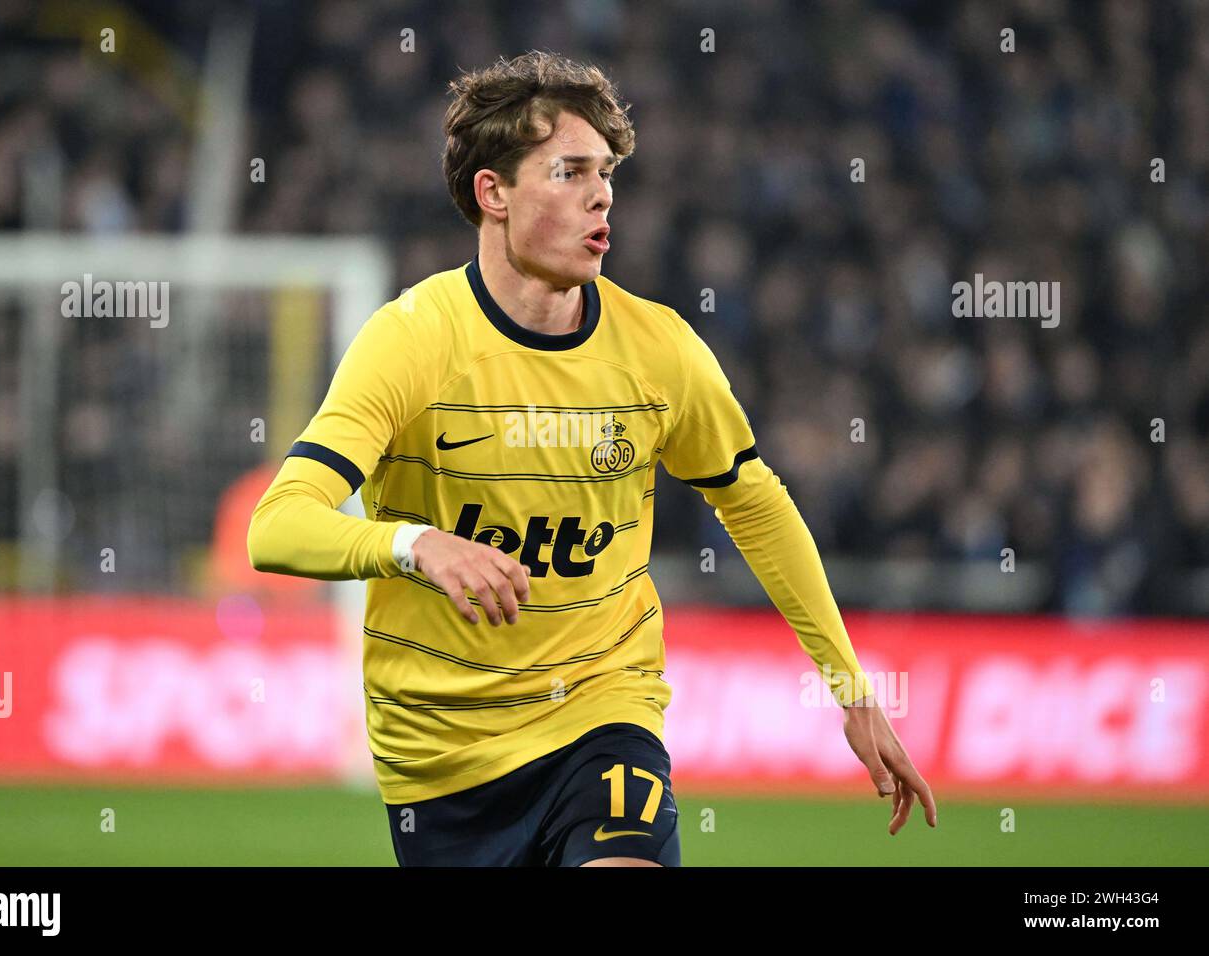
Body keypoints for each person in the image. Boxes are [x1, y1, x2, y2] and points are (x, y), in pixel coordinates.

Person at [247, 50, 936, 867]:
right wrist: (414, 545)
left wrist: (851, 687)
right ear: (492, 194)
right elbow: (277, 527)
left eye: (604, 173)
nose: (602, 194)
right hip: (440, 753)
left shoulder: (658, 348)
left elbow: (754, 502)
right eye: (568, 172)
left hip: (604, 713)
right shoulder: (412, 342)